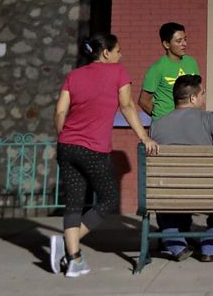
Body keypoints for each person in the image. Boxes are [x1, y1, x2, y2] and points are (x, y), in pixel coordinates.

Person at [51, 34, 158, 278]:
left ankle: (74, 257)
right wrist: (144, 137)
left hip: (66, 145)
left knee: (74, 203)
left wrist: (65, 136)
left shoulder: (74, 75)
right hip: (93, 148)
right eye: (118, 50)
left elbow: (59, 112)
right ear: (106, 53)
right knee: (109, 199)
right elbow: (128, 106)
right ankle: (71, 244)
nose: (121, 55)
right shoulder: (117, 72)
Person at [149, 74, 213, 262]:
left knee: (164, 193)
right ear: (193, 98)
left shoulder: (157, 125)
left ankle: (174, 241)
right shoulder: (207, 118)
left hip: (166, 193)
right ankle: (210, 246)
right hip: (203, 192)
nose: (204, 97)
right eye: (202, 93)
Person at [138, 22, 199, 124]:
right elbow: (144, 101)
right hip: (165, 124)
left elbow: (198, 91)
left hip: (189, 121)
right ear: (166, 44)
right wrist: (161, 118)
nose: (184, 44)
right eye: (179, 41)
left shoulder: (191, 62)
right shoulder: (157, 69)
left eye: (185, 39)